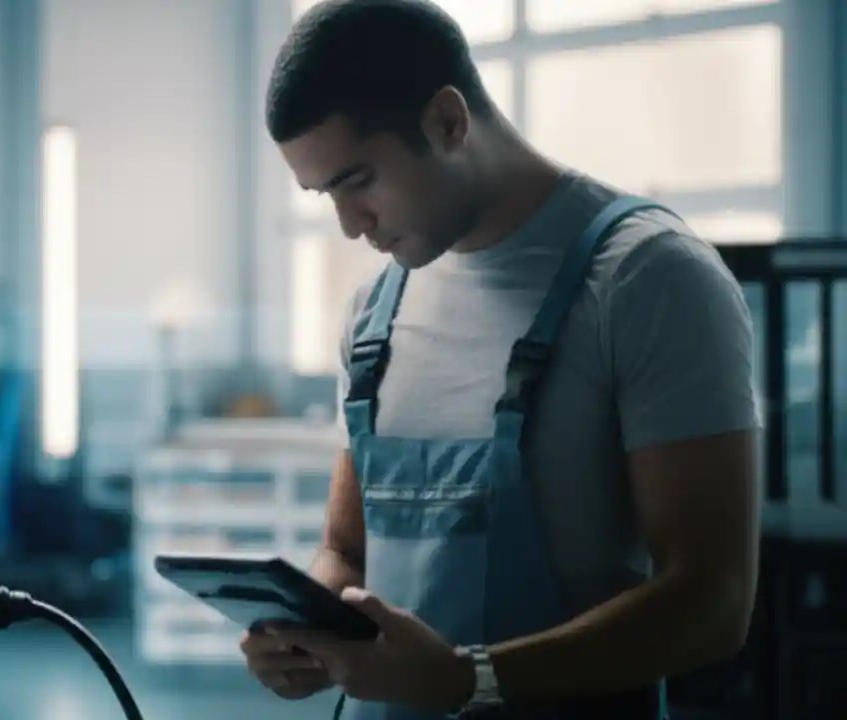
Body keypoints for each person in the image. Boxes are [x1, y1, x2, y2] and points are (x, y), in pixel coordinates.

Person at [239, 1, 761, 718]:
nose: (349, 225)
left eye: (358, 181)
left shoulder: (647, 281)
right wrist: (303, 629)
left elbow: (712, 600)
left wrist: (466, 678)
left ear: (448, 122)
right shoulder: (373, 314)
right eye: (325, 194)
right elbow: (347, 551)